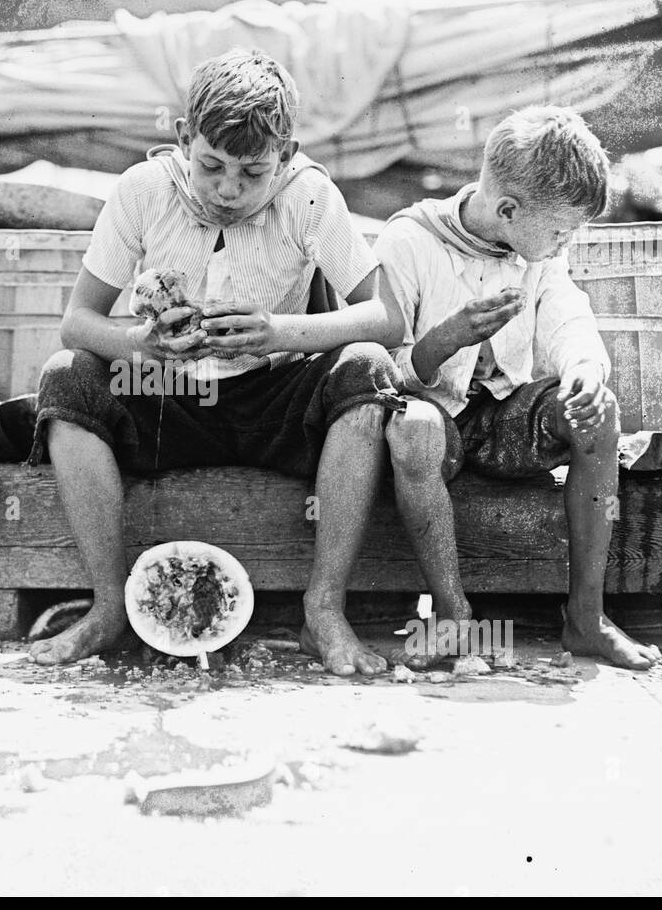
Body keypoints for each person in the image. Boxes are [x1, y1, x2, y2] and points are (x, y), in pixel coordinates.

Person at [27, 48, 407, 676]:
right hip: (165, 393)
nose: (228, 189)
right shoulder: (143, 190)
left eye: (253, 173)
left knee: (364, 366)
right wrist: (142, 347)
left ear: (283, 157)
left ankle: (324, 611)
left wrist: (276, 330)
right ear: (183, 139)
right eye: (211, 166)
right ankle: (108, 607)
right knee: (67, 377)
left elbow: (385, 318)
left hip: (273, 397)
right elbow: (79, 322)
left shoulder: (310, 197)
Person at [376, 106, 662, 671]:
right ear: (508, 209)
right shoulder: (408, 241)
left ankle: (587, 618)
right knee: (413, 428)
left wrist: (582, 367)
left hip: (502, 419)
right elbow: (381, 372)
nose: (564, 243)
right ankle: (452, 612)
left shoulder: (538, 251)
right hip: (433, 424)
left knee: (597, 412)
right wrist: (446, 339)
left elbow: (566, 314)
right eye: (560, 230)